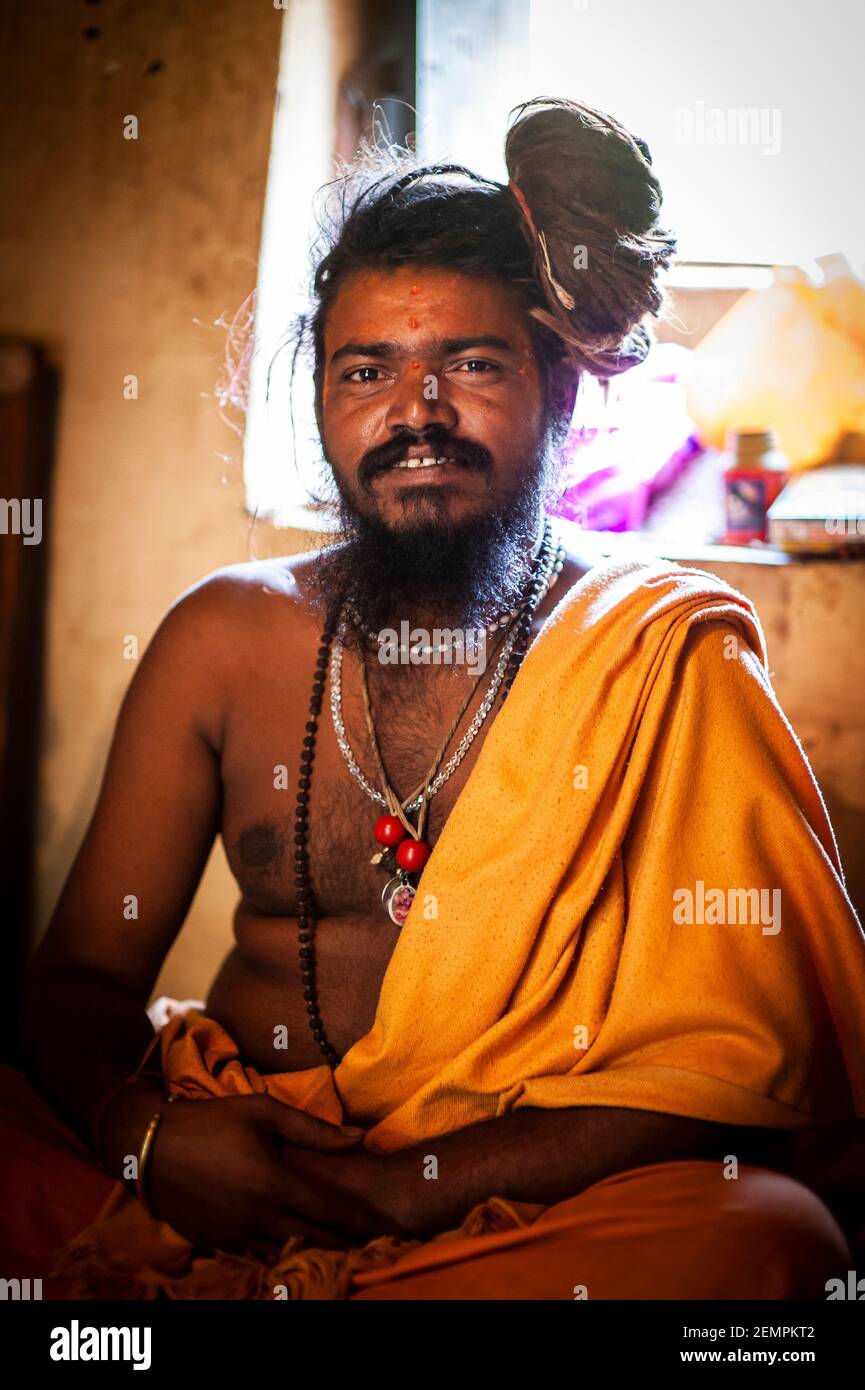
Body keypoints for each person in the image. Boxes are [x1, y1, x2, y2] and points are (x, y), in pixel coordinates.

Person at [3, 97, 865, 1301]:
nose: (416, 412)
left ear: (559, 391)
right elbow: (79, 983)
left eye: (469, 363)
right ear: (319, 400)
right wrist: (149, 1136)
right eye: (368, 370)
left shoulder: (667, 649)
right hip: (234, 1158)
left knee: (769, 1240)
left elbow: (733, 1082)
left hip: (524, 1204)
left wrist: (392, 1194)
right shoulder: (223, 636)